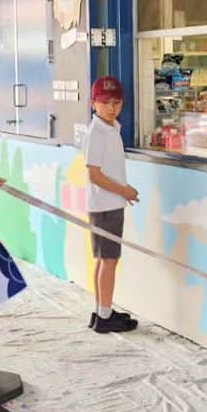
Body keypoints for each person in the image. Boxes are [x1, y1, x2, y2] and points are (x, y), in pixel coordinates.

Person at [84, 76, 139, 334]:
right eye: (105, 102)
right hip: (105, 206)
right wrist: (124, 191)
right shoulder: (97, 132)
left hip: (108, 203)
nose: (111, 107)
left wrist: (122, 192)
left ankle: (101, 310)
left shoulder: (110, 128)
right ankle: (105, 316)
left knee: (104, 259)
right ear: (93, 103)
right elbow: (94, 174)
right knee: (109, 260)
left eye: (116, 102)